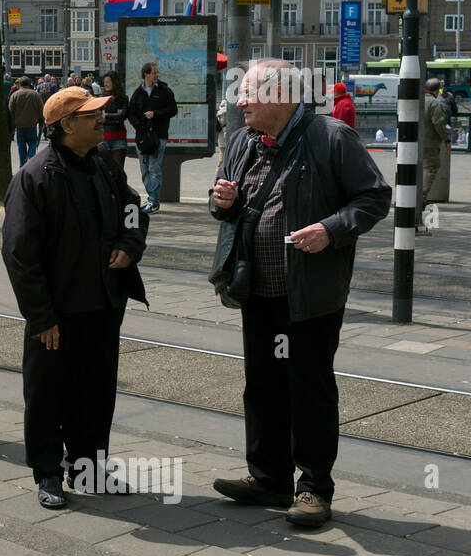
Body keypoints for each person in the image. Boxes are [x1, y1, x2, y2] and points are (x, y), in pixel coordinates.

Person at [209, 60, 391, 527]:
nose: (240, 101)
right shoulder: (243, 142)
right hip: (258, 290)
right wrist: (221, 202)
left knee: (308, 389)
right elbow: (224, 203)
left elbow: (373, 197)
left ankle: (313, 489)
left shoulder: (331, 137)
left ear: (281, 97)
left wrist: (331, 230)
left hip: (309, 294)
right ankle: (269, 478)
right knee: (263, 386)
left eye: (249, 93)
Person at [2, 88, 150, 510]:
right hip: (56, 312)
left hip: (104, 303)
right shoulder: (35, 176)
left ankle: (89, 467)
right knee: (48, 392)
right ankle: (48, 472)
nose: (102, 120)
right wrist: (41, 316)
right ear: (67, 125)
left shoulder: (104, 165)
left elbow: (133, 209)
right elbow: (18, 253)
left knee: (96, 391)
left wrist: (130, 243)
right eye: (92, 115)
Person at [126, 60, 178, 214]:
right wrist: (139, 126)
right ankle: (151, 198)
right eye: (154, 72)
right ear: (146, 74)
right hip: (142, 138)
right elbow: (131, 113)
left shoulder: (164, 90)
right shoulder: (138, 92)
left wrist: (155, 114)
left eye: (157, 72)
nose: (157, 75)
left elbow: (172, 110)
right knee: (145, 170)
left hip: (159, 136)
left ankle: (154, 201)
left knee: (154, 169)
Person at [422, 79, 452, 201]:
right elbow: (439, 124)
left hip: (414, 143)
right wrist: (447, 139)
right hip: (430, 143)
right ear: (437, 90)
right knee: (430, 168)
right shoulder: (434, 103)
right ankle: (421, 197)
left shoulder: (418, 100)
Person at [8, 75, 43, 166]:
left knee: (21, 148)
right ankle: (30, 159)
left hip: (19, 125)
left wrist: (12, 126)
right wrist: (41, 121)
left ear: (20, 84)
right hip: (32, 124)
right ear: (29, 83)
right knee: (33, 144)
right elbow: (41, 110)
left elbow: (10, 111)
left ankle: (22, 166)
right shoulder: (35, 94)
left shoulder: (15, 95)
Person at [98, 70, 129, 171]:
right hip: (104, 139)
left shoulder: (123, 98)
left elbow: (122, 116)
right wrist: (113, 118)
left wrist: (106, 116)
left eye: (108, 81)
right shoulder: (102, 98)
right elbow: (98, 116)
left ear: (114, 82)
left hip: (118, 138)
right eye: (104, 82)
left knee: (118, 171)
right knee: (105, 171)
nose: (105, 84)